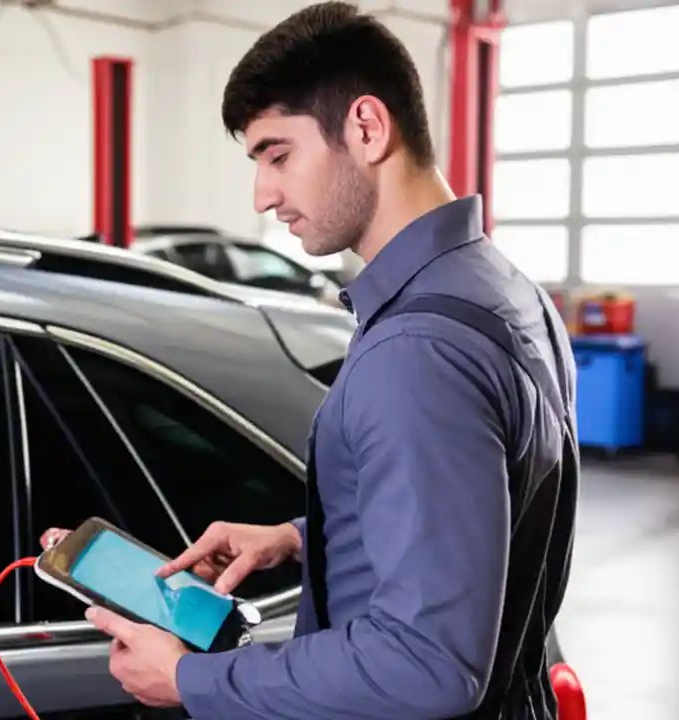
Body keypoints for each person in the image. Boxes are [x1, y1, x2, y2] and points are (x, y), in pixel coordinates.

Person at [46, 3, 578, 718]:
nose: (264, 195)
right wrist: (307, 537)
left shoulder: (415, 353)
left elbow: (428, 664)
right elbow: (486, 502)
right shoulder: (507, 292)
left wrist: (191, 681)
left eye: (278, 155)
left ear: (365, 127)